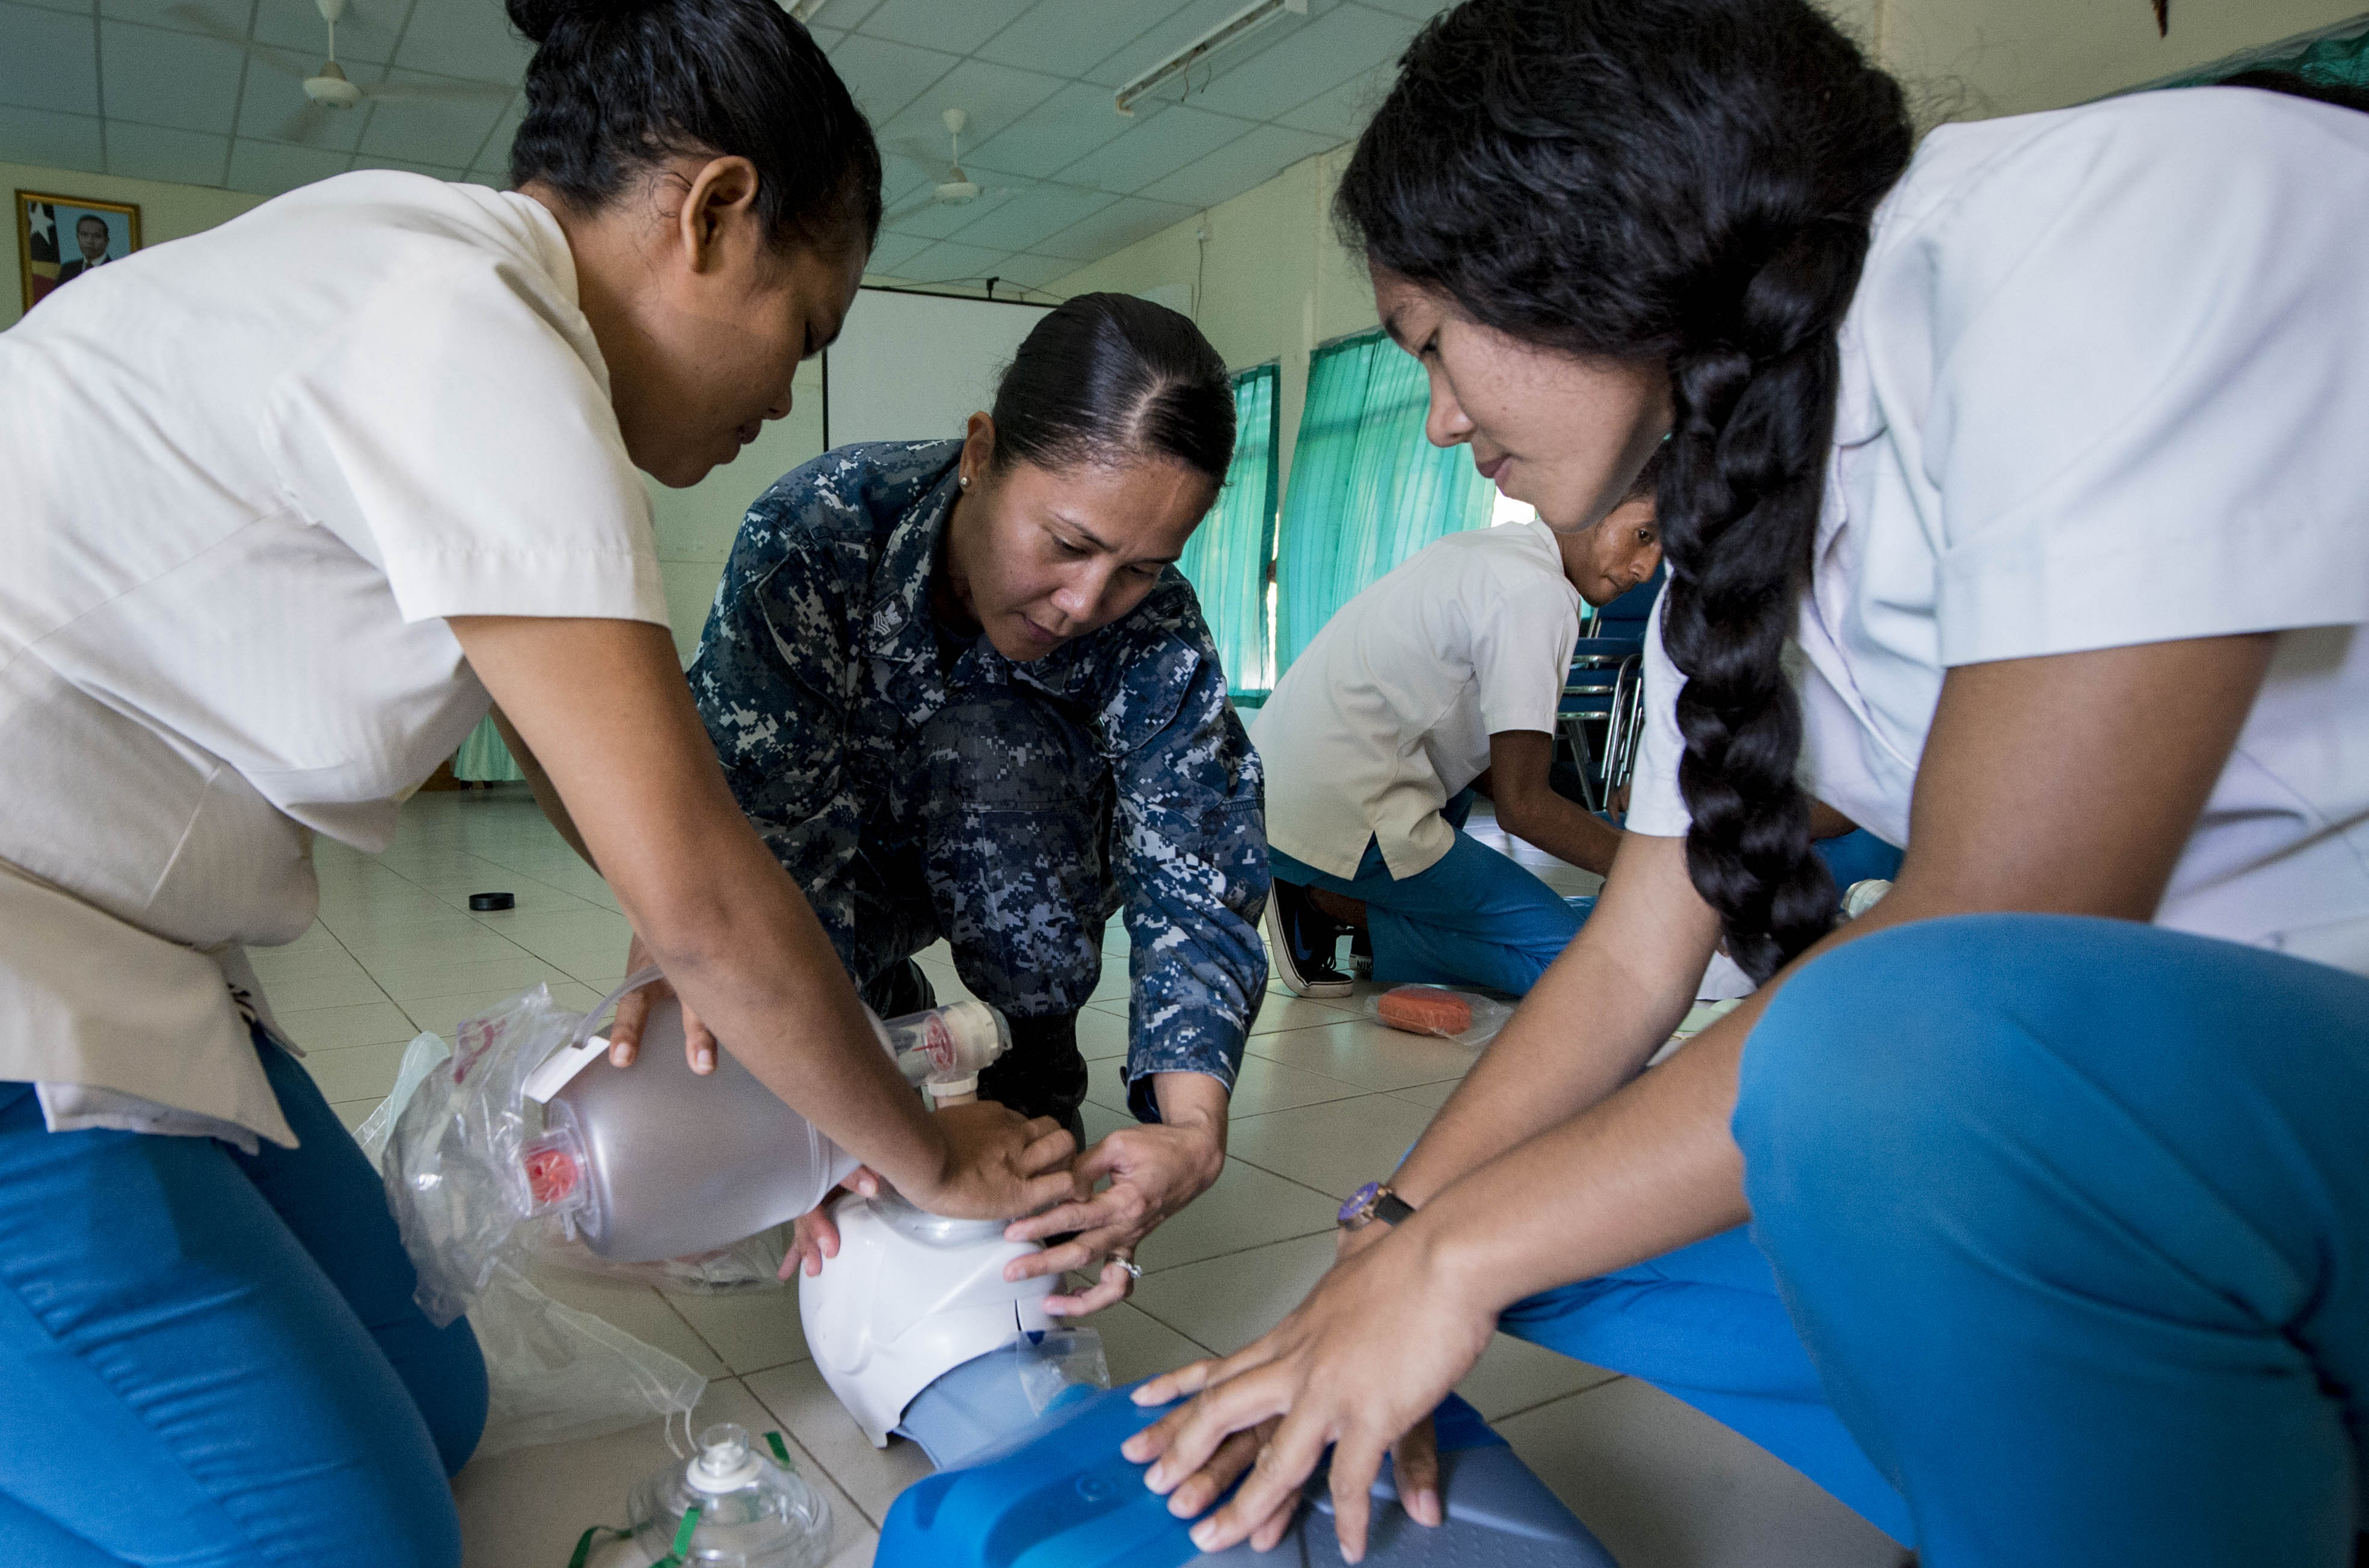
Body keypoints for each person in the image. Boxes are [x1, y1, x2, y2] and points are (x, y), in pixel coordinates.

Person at [1118, 7, 2369, 1566]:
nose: (1439, 420)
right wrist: (1377, 1256)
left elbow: (1988, 922)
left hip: (2278, 1105)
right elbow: (1633, 957)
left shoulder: (2096, 220)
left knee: (1873, 1050)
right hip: (2171, 1142)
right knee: (1517, 1227)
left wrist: (1445, 1264)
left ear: (1573, 242)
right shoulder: (1742, 514)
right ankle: (2106, 1481)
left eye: (1431, 344)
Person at [0, 0, 1077, 1561]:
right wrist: (922, 1146)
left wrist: (664, 927)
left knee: (432, 1387)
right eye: (807, 327)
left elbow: (611, 777)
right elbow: (707, 878)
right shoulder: (480, 336)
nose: (788, 392)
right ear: (713, 214)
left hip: (122, 949)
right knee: (335, 1535)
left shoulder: (441, 285)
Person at [609, 293, 1271, 1317]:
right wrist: (812, 1100)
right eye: (1064, 542)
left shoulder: (1154, 630)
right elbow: (729, 814)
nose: (1086, 603)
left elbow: (1197, 863)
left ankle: (1027, 1053)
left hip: (1026, 875)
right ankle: (881, 1019)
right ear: (979, 452)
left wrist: (1191, 1126)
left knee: (991, 741)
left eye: (1140, 568)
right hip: (831, 860)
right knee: (703, 1100)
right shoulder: (820, 531)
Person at [1253, 455, 1662, 998]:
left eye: (1662, 551)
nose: (1645, 568)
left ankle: (1337, 900)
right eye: (1643, 533)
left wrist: (1621, 845)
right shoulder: (1539, 593)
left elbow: (1493, 766)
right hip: (1342, 817)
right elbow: (1522, 806)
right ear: (1590, 501)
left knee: (1477, 805)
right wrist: (1657, 873)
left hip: (1273, 796)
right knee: (1586, 970)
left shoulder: (1488, 550)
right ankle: (1331, 908)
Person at [54, 213, 116, 284]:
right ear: (78, 238)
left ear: (107, 241)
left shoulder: (115, 272)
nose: (90, 241)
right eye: (84, 235)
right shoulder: (68, 269)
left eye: (97, 236)